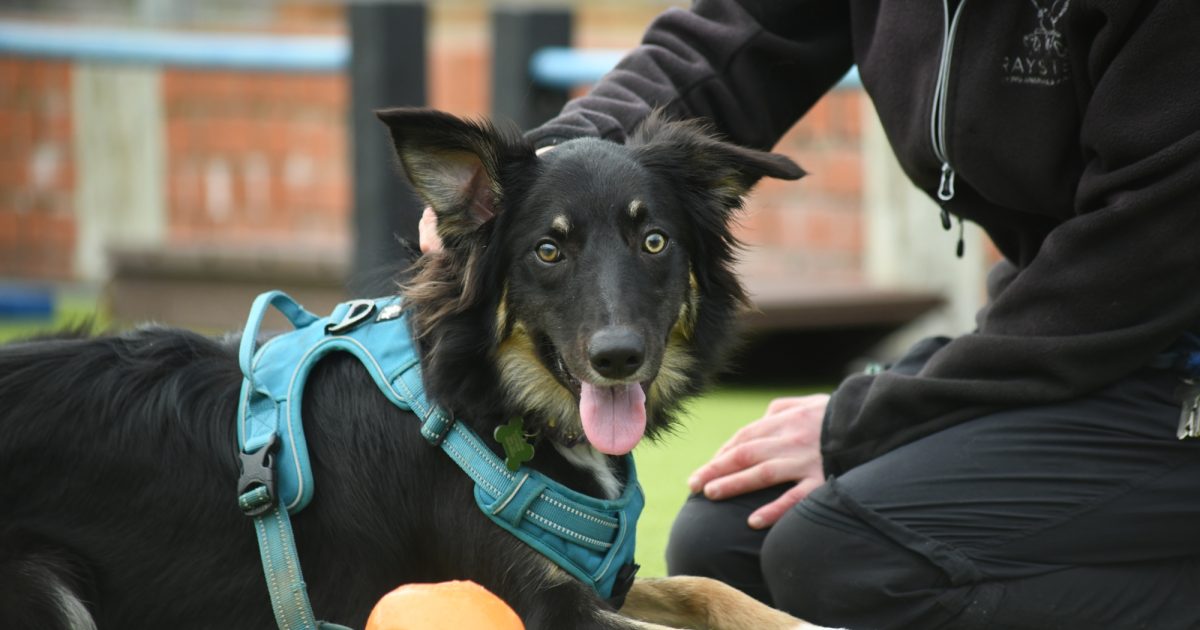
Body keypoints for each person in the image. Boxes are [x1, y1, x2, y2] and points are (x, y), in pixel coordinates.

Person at [421, 1, 1200, 627]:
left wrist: (870, 419)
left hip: (1167, 341)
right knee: (724, 539)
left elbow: (1147, 251)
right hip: (1093, 342)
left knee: (844, 558)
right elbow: (733, 41)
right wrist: (548, 167)